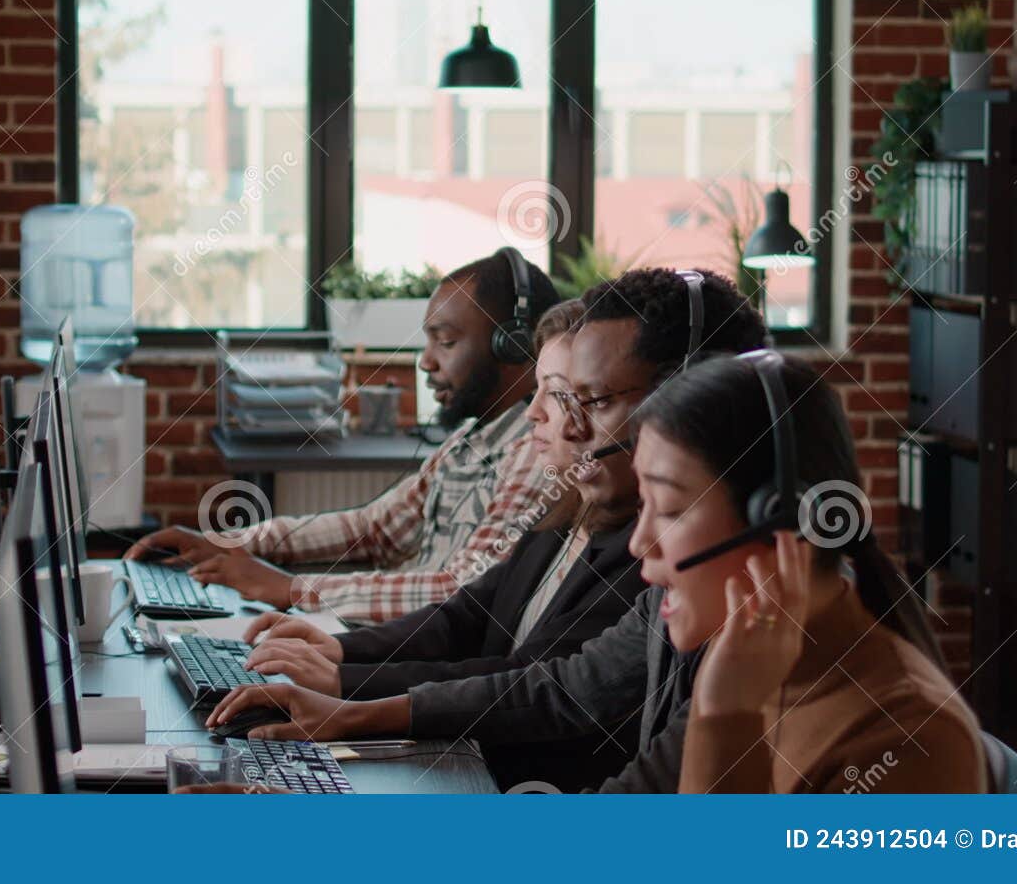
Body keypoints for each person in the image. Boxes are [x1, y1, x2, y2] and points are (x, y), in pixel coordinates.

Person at [206, 268, 769, 792]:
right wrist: (342, 692)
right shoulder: (693, 604)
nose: (553, 419)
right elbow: (565, 685)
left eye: (587, 399)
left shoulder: (780, 679)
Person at [239, 297, 648, 791]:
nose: (536, 413)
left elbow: (524, 677)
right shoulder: (563, 511)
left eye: (568, 396)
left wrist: (350, 692)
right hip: (466, 756)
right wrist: (338, 652)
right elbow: (465, 614)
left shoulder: (640, 552)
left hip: (509, 780)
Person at [124, 249, 563, 623]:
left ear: (515, 346)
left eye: (445, 342)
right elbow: (371, 529)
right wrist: (227, 545)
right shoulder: (471, 440)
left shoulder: (535, 453)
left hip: (429, 667)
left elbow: (459, 591)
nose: (426, 362)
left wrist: (292, 589)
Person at [629, 350, 985, 792]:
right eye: (642, 503)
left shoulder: (910, 742)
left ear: (784, 519)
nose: (638, 542)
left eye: (668, 508)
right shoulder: (746, 659)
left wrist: (727, 719)